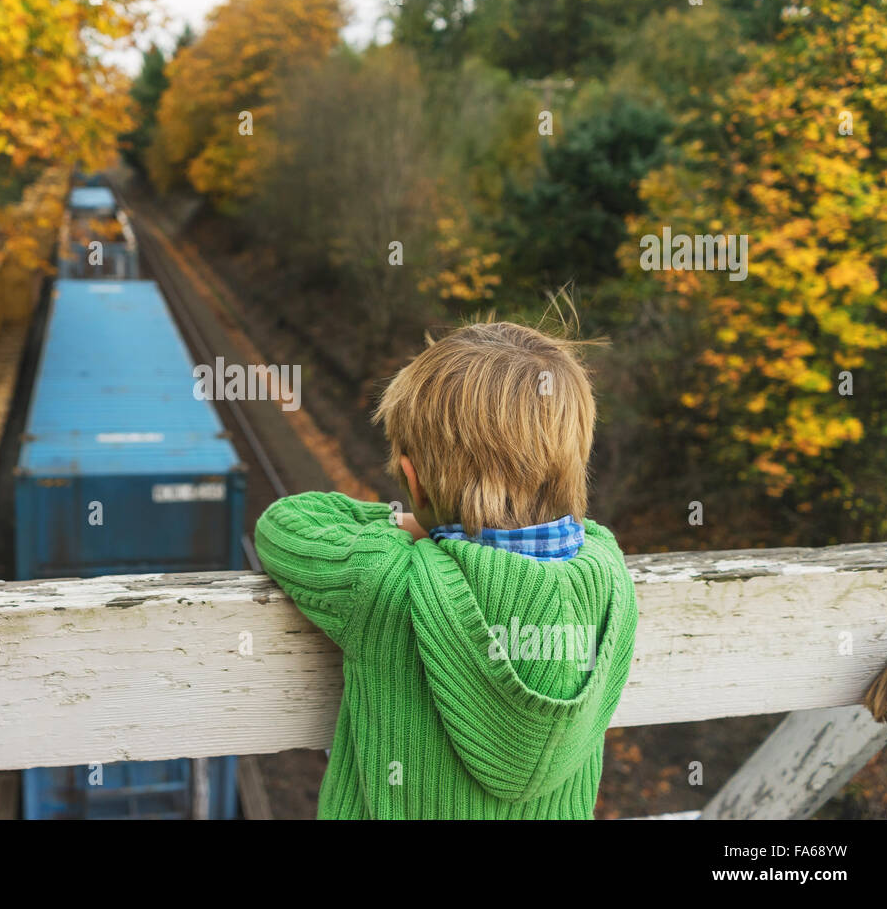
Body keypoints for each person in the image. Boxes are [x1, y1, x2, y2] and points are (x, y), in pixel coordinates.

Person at [254, 318, 638, 818]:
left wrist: (413, 524)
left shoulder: (390, 578)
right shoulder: (609, 575)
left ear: (413, 481)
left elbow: (286, 523)